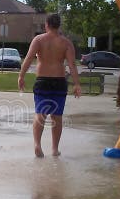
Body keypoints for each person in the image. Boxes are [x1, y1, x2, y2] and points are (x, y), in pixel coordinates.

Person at [18, 14, 81, 158]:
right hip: (59, 82)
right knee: (57, 117)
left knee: (40, 114)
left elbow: (28, 58)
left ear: (46, 24)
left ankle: (37, 145)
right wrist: (77, 84)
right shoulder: (66, 43)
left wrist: (21, 76)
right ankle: (54, 148)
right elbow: (72, 65)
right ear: (59, 25)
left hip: (42, 81)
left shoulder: (39, 40)